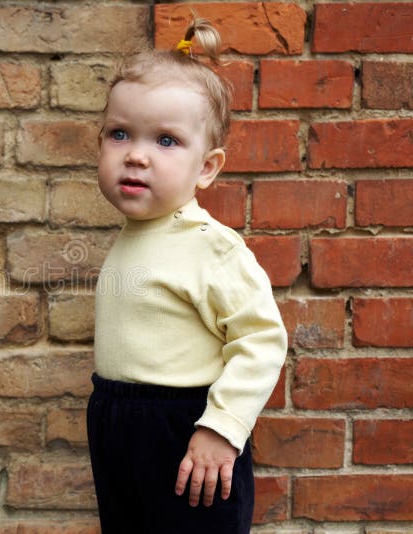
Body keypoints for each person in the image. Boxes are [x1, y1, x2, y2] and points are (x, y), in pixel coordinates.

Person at [87, 18, 287, 533]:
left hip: (186, 436)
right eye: (119, 134)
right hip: (118, 424)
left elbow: (261, 340)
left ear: (207, 167)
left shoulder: (210, 246)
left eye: (167, 140)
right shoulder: (138, 234)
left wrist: (222, 428)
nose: (136, 153)